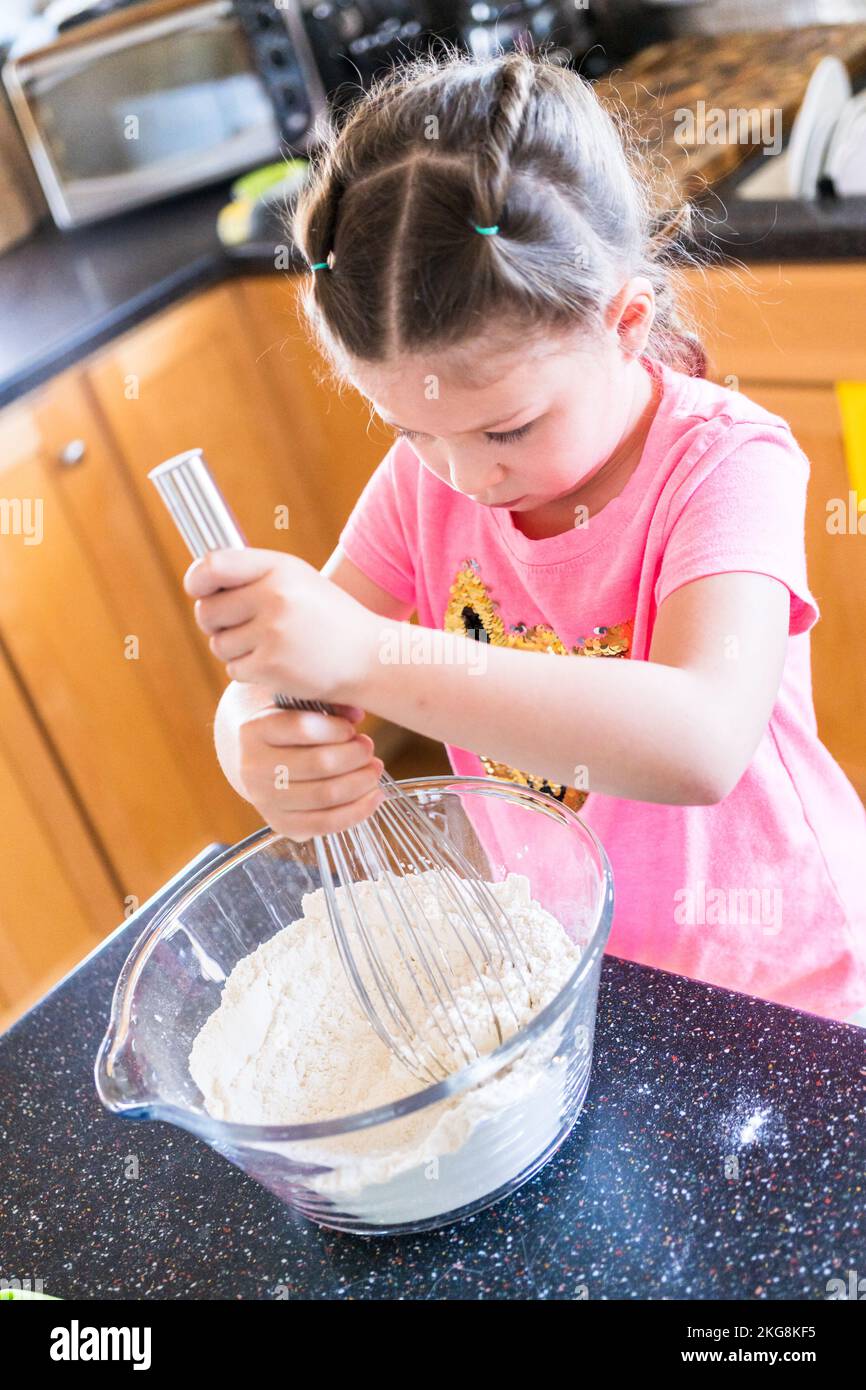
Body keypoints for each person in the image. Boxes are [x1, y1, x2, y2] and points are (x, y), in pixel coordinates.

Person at [186, 49, 866, 1024]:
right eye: (411, 427)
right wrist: (250, 739)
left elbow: (699, 738)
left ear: (623, 322)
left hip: (786, 979)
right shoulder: (425, 484)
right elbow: (287, 667)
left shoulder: (725, 467)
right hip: (580, 957)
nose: (465, 474)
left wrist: (367, 656)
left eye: (506, 427)